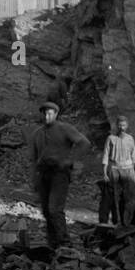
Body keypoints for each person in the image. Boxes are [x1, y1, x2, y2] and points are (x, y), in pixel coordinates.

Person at [26, 101, 91, 249]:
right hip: (43, 174)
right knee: (46, 211)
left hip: (59, 173)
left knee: (55, 208)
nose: (47, 116)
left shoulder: (64, 129)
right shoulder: (37, 133)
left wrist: (70, 160)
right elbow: (34, 160)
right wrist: (34, 180)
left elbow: (84, 143)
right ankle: (53, 243)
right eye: (45, 113)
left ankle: (64, 242)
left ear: (56, 114)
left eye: (50, 113)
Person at [103, 115, 135, 227]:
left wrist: (132, 171)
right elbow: (105, 156)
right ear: (116, 126)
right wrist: (104, 172)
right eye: (120, 125)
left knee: (130, 197)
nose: (122, 128)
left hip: (128, 169)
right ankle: (117, 221)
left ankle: (127, 222)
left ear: (127, 126)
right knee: (115, 197)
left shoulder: (130, 139)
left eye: (124, 125)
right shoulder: (111, 138)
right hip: (114, 169)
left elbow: (134, 156)